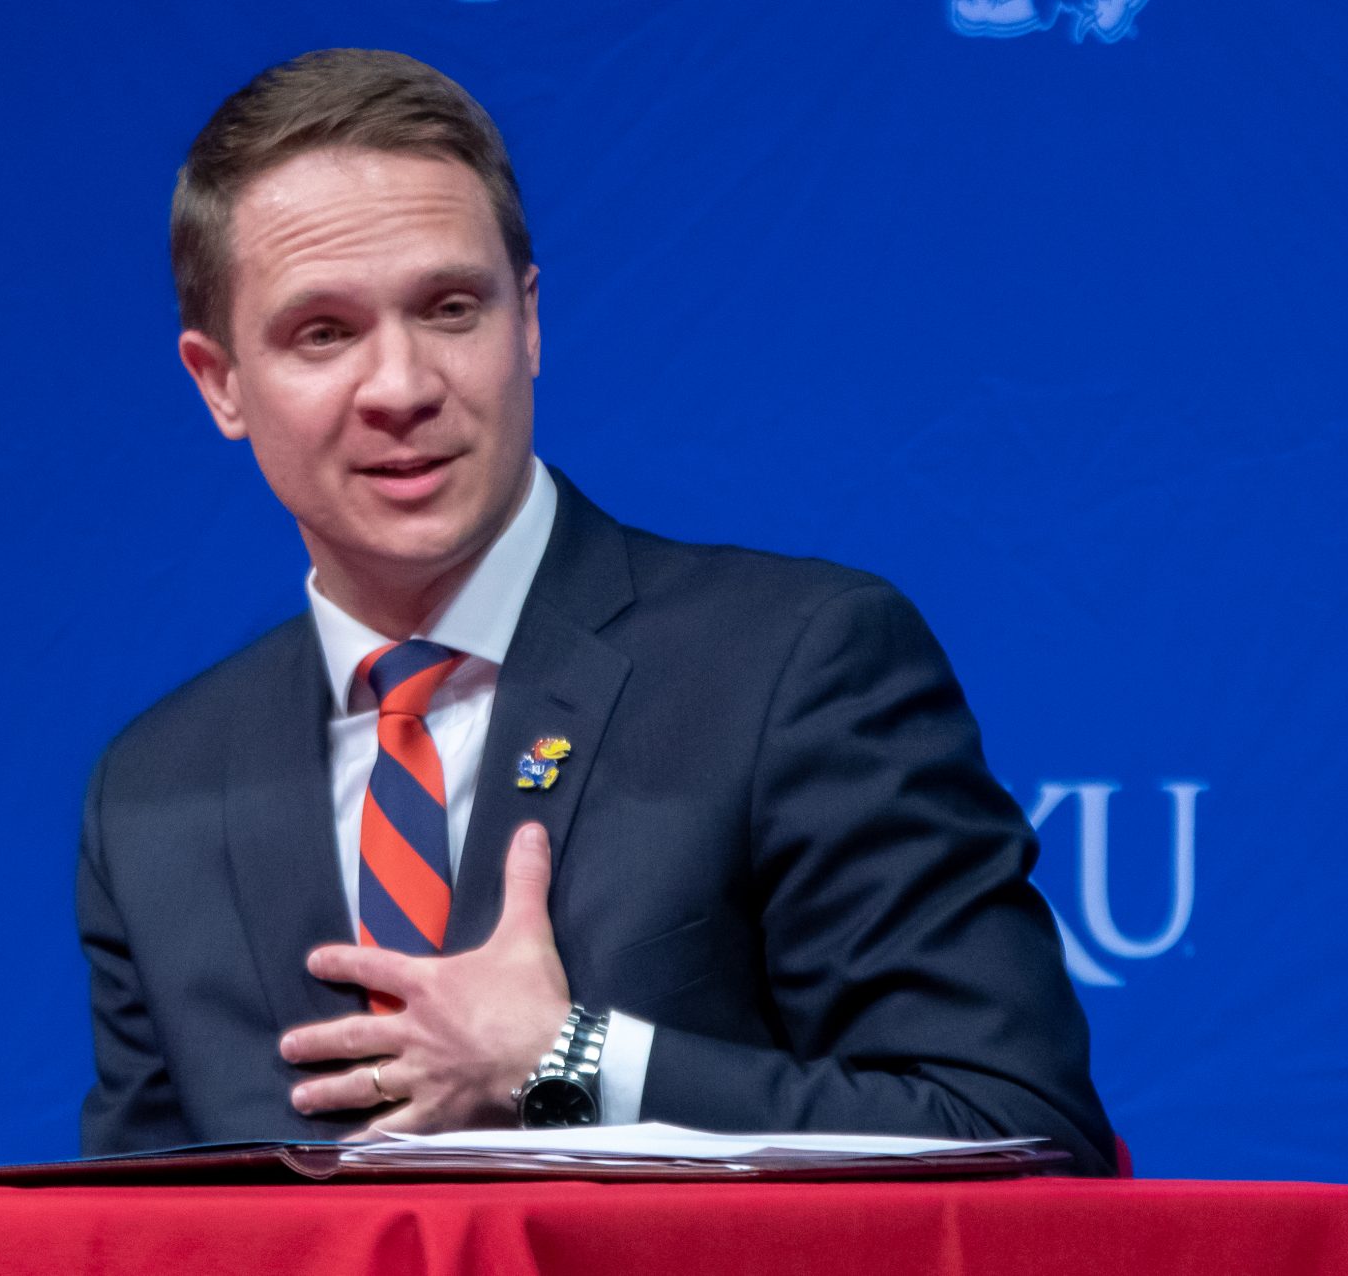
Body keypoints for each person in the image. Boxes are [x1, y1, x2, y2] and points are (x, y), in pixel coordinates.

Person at [77, 48, 1116, 1172]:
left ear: (527, 322)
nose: (402, 387)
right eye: (323, 333)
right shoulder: (157, 791)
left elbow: (1016, 1133)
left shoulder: (796, 667)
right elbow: (136, 1226)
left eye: (450, 309)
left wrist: (573, 1059)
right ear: (219, 382)